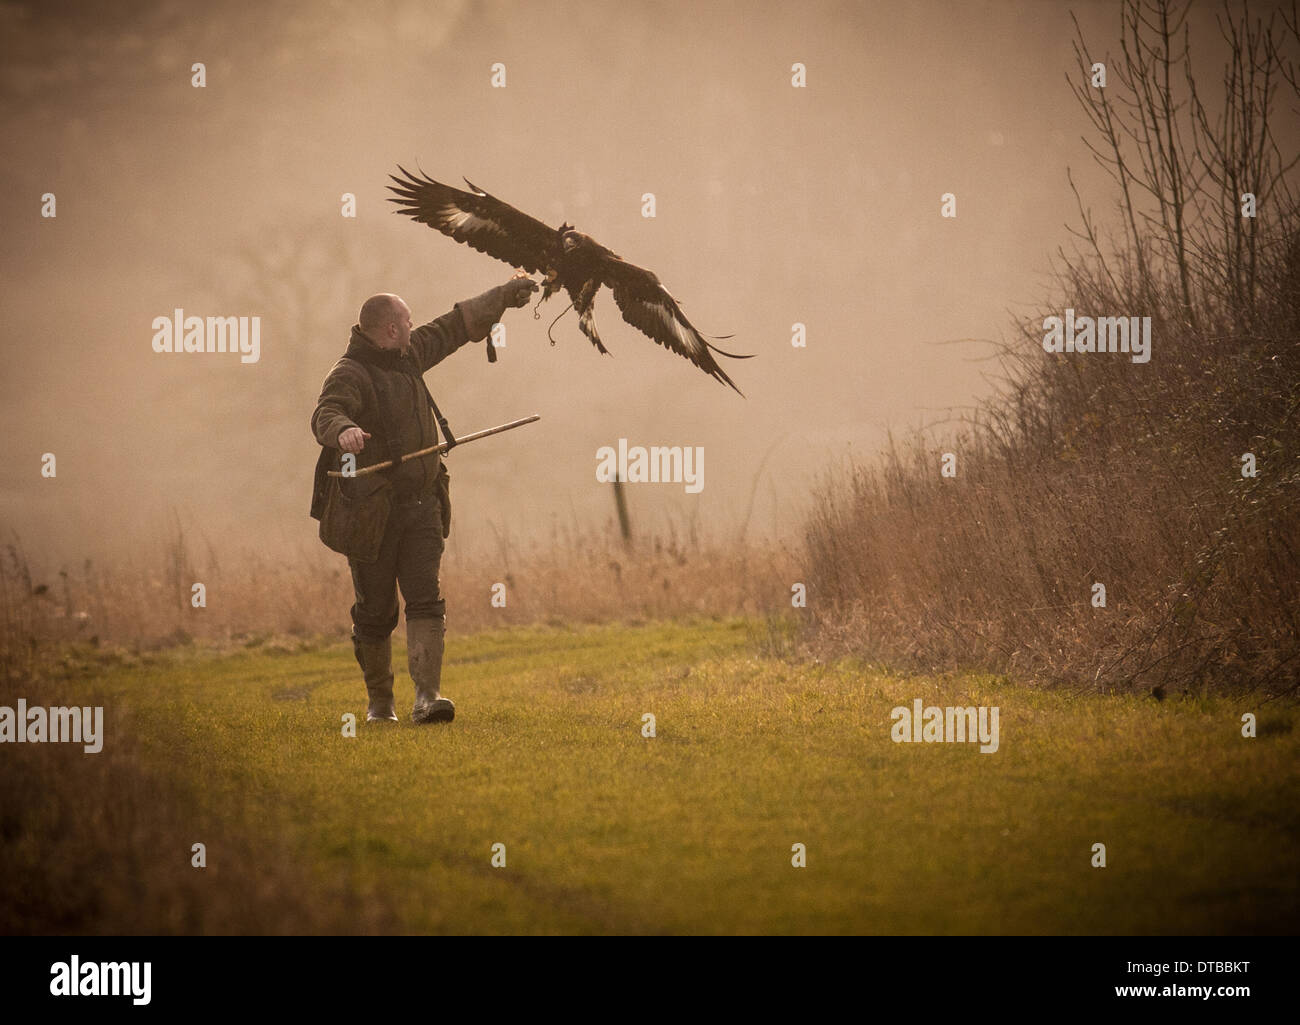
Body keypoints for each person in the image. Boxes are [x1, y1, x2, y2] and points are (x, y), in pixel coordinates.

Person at [310, 275, 537, 724]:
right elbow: (324, 414)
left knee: (426, 599)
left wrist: (505, 295)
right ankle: (380, 706)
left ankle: (427, 698)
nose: (414, 328)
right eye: (407, 322)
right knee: (375, 614)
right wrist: (344, 431)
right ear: (391, 329)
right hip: (371, 515)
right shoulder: (349, 373)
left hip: (421, 507)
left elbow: (455, 326)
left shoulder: (408, 356)